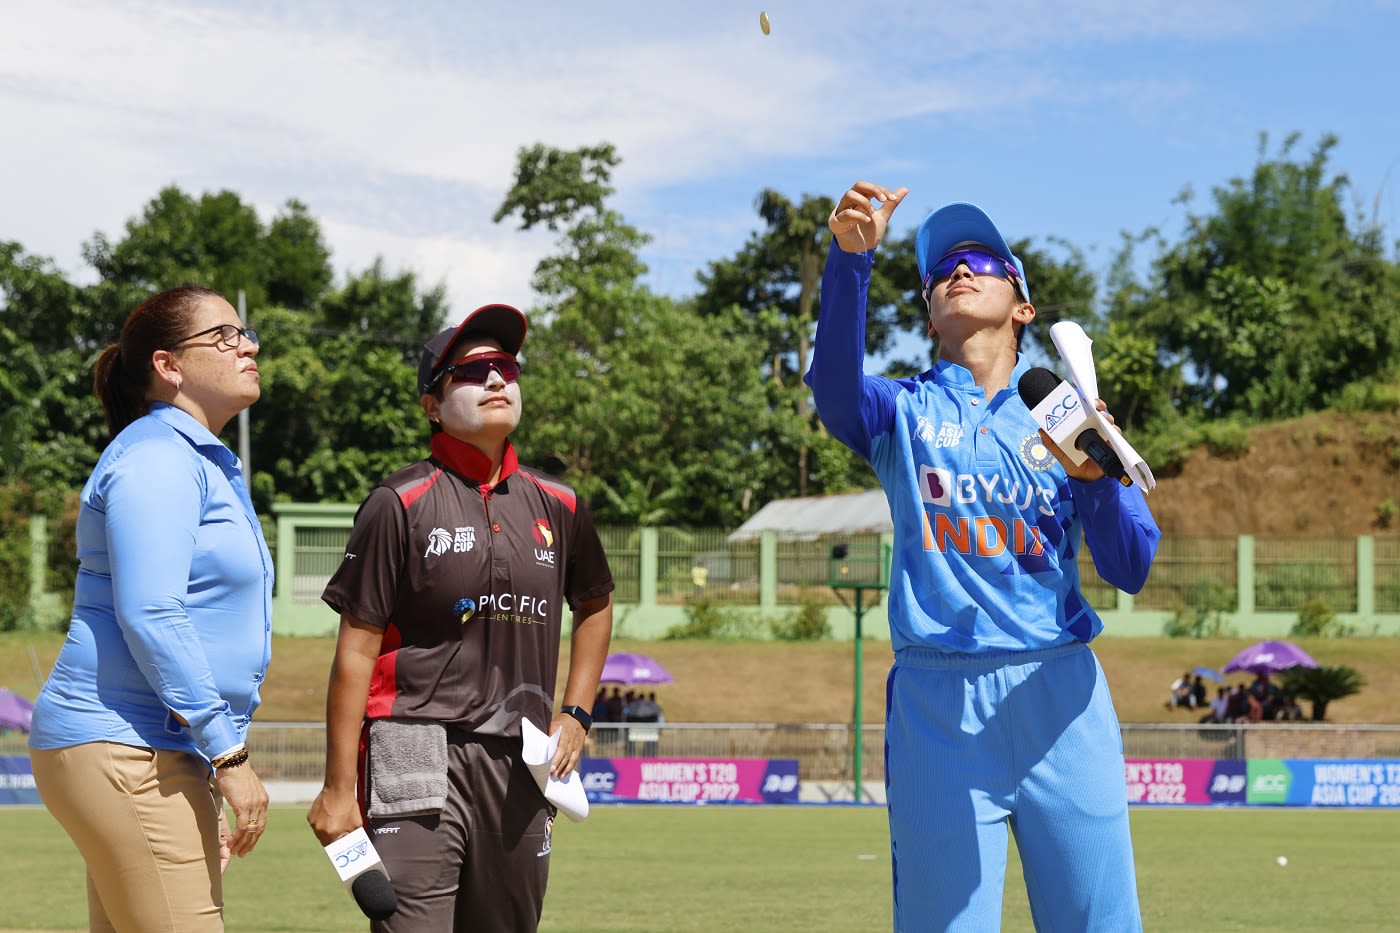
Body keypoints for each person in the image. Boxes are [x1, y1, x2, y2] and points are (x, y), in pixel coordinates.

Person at [806, 183, 1160, 931]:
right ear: (930, 312)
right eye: (940, 273)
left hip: (1061, 697)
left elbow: (1131, 564)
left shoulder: (1064, 414)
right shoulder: (901, 410)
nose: (957, 272)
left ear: (1023, 306)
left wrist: (1095, 477)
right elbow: (834, 390)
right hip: (939, 706)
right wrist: (850, 262)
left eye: (981, 261)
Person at [305, 303, 614, 932]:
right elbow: (355, 653)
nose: (497, 380)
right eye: (472, 373)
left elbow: (595, 605)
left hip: (522, 762)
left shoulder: (560, 503)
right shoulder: (398, 503)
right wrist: (339, 788)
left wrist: (577, 712)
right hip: (412, 748)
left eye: (506, 367)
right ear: (432, 405)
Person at [27, 286, 273, 932]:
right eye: (224, 335)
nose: (247, 345)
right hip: (123, 743)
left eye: (246, 333)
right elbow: (153, 613)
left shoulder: (199, 462)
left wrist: (217, 756)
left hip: (148, 746)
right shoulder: (158, 458)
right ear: (169, 365)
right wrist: (230, 757)